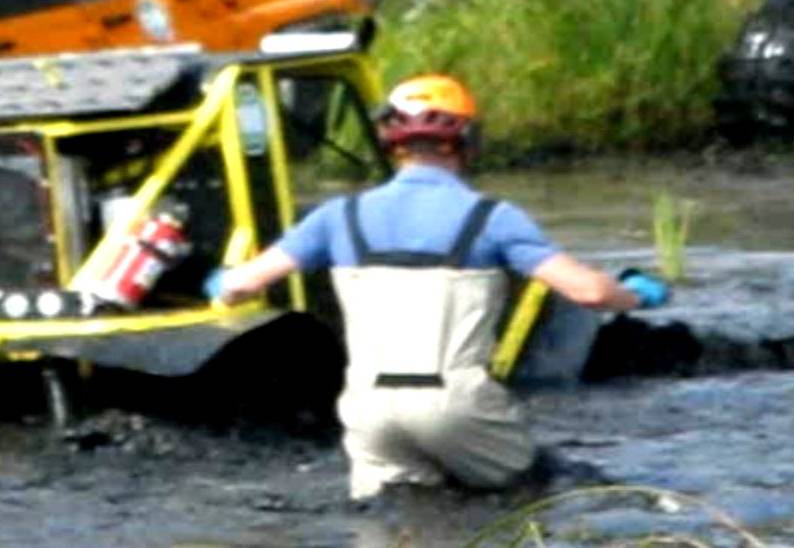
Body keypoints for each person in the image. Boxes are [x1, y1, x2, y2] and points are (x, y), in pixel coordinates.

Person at [210, 74, 669, 500]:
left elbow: (238, 287)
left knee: (392, 524)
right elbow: (589, 293)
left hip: (370, 412)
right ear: (465, 141)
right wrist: (637, 294)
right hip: (456, 405)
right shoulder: (492, 218)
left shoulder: (336, 217)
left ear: (391, 142)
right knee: (543, 494)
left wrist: (219, 282)